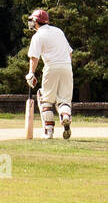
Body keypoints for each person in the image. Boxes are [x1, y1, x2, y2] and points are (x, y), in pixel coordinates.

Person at [26, 8, 74, 139]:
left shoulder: (38, 36)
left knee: (45, 99)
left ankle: (49, 131)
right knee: (64, 100)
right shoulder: (58, 31)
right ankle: (65, 116)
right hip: (66, 67)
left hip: (51, 67)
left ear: (36, 21)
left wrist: (31, 73)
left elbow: (34, 57)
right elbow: (70, 53)